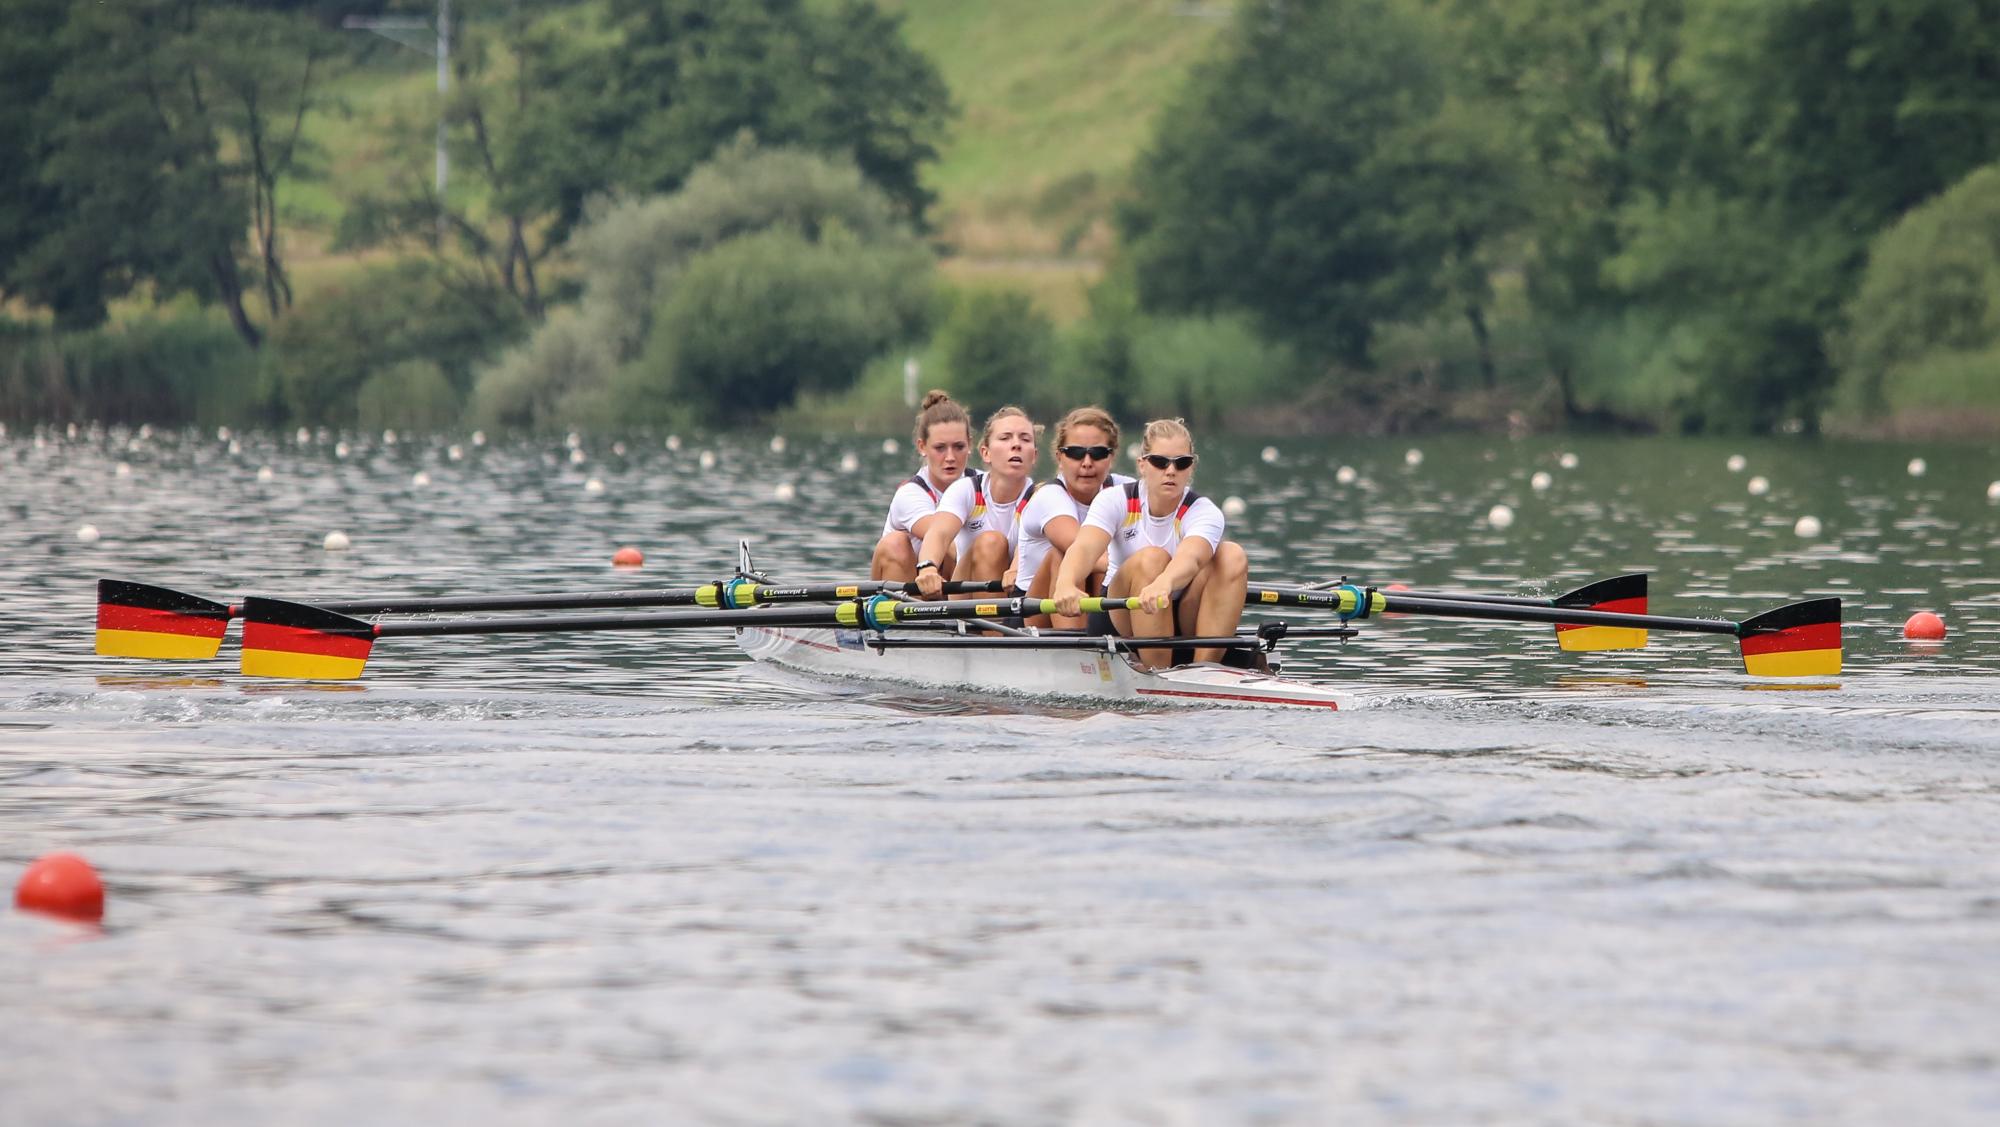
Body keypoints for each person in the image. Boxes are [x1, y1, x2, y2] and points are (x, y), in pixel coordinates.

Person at [1052, 417, 1248, 668]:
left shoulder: (1203, 511)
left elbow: (1192, 558)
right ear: (1142, 465)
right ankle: (1159, 673)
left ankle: (1204, 670)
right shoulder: (1114, 500)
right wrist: (1066, 584)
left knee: (1232, 555)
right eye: (1160, 461)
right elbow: (1084, 548)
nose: (1171, 471)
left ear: (1191, 467)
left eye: (1181, 463)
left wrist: (1164, 583)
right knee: (1152, 558)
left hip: (1179, 612)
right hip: (1121, 613)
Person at [1013, 405, 1131, 628]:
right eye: (1076, 453)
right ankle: (1075, 643)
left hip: (1095, 599)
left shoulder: (1126, 490)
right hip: (1032, 611)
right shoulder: (1050, 496)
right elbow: (1082, 550)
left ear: (1111, 457)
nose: (1086, 463)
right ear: (1060, 457)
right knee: (1067, 555)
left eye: (1098, 453)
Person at [914, 405, 1038, 600]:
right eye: (1005, 438)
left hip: (1017, 594)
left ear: (1034, 456)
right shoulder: (967, 489)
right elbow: (939, 534)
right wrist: (927, 567)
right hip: (967, 598)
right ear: (985, 453)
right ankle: (993, 619)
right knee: (992, 542)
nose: (1016, 445)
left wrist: (1016, 569)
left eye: (1025, 439)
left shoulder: (1040, 496)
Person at [872, 390, 971, 581]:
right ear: (922, 447)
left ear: (970, 445)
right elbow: (943, 538)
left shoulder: (983, 483)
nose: (950, 457)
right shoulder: (910, 494)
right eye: (940, 448)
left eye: (959, 447)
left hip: (954, 584)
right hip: (913, 586)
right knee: (895, 543)